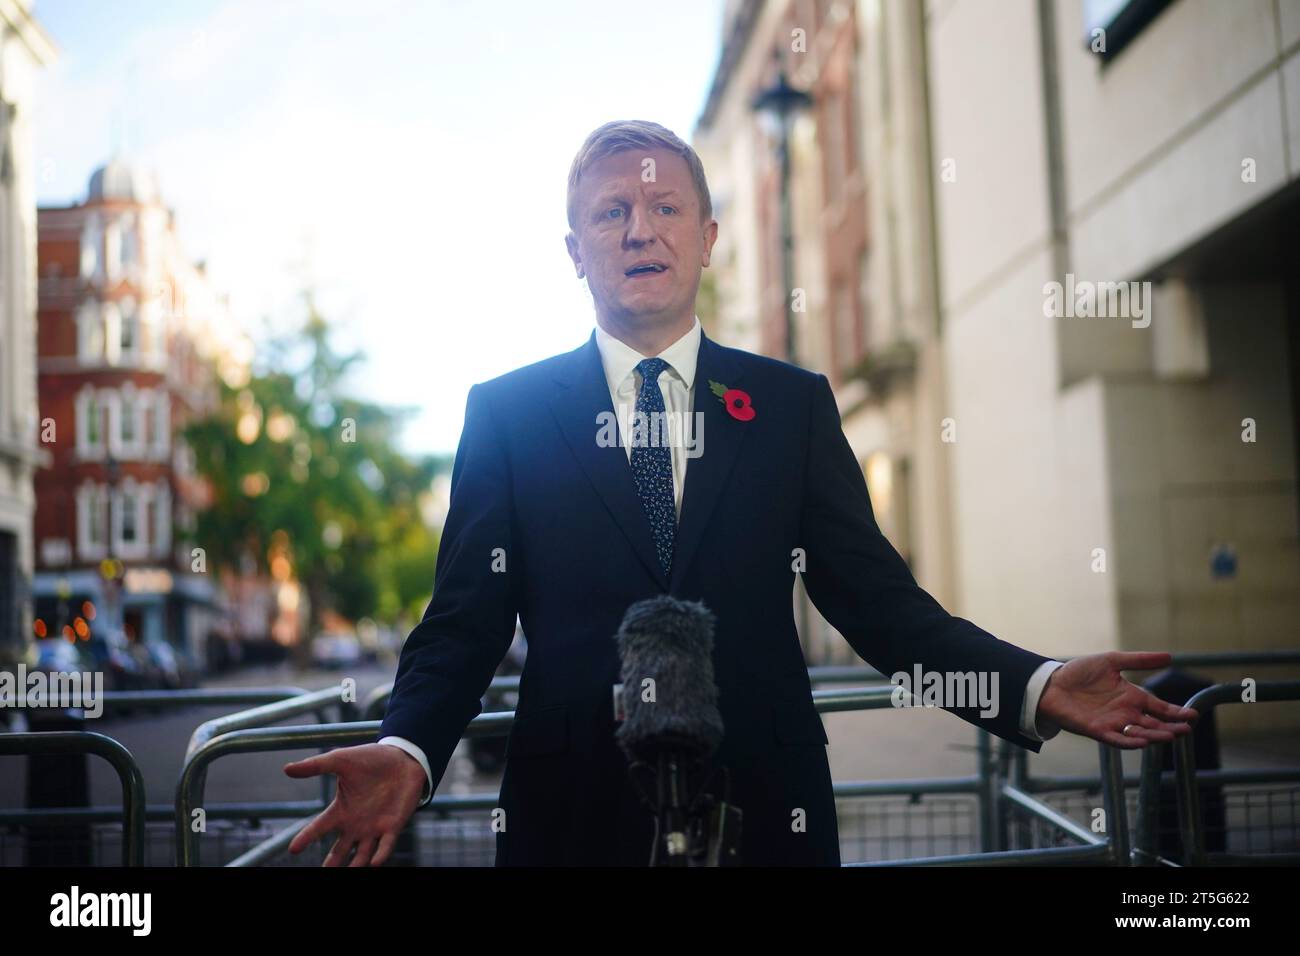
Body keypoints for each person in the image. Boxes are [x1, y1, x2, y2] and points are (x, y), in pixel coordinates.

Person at [284, 120, 1197, 866]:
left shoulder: (791, 408)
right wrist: (408, 746)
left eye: (665, 206)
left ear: (708, 238)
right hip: (570, 822)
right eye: (611, 213)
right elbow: (463, 624)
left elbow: (881, 610)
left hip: (766, 813)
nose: (641, 230)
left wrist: (1034, 686)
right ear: (575, 251)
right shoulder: (507, 414)